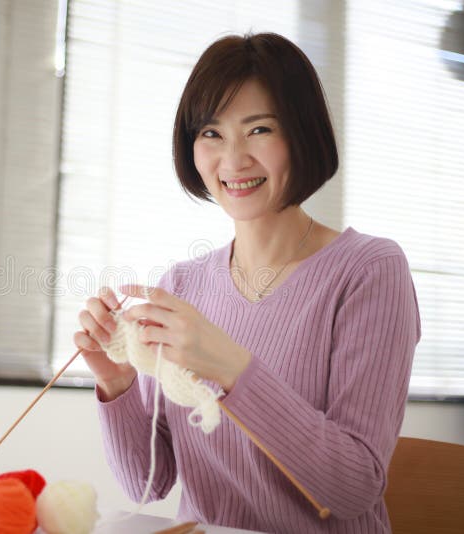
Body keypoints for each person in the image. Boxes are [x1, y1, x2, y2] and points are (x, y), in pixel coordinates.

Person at [74, 32, 421, 533]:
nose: (232, 160)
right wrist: (116, 382)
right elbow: (146, 485)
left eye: (258, 130)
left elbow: (353, 487)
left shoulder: (369, 270)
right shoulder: (183, 284)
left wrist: (233, 367)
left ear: (302, 134)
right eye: (211, 134)